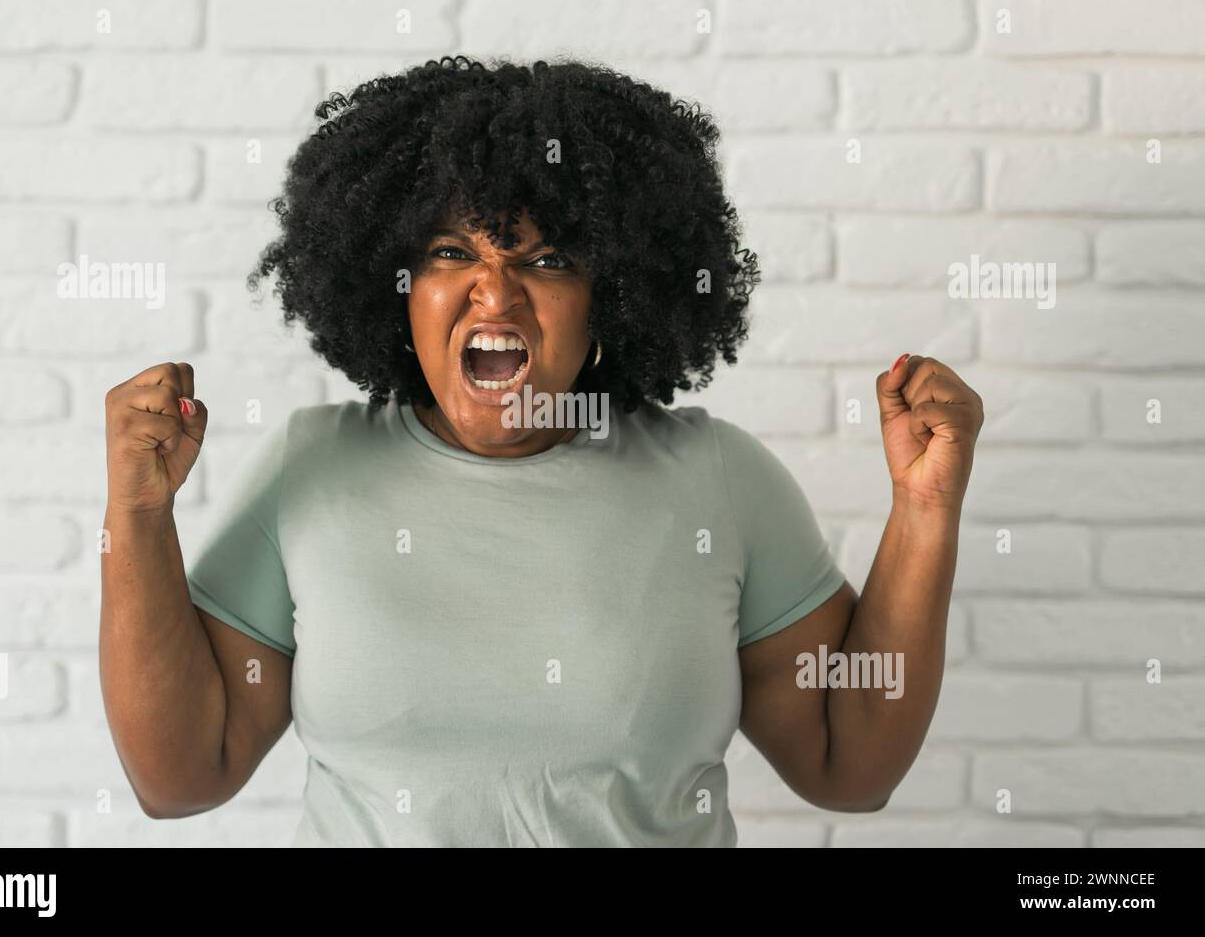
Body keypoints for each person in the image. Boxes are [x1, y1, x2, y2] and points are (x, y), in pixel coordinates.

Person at [99, 56, 984, 846]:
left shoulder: (719, 482)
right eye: (451, 251)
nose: (496, 291)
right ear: (394, 290)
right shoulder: (312, 472)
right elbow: (178, 780)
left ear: (615, 295)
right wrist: (138, 517)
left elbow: (850, 765)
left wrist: (925, 510)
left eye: (549, 257)